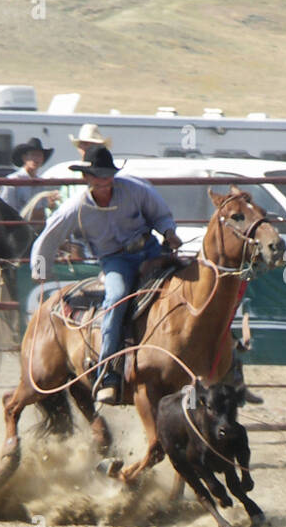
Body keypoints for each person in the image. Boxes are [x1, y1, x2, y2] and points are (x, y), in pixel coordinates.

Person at [30, 145, 182, 405]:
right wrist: (40, 268)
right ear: (86, 178)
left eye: (108, 174)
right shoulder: (75, 208)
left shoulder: (135, 189)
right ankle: (108, 373)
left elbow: (160, 214)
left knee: (184, 287)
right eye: (99, 175)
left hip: (149, 250)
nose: (105, 180)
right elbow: (49, 236)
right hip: (116, 260)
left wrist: (168, 232)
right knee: (117, 299)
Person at [0, 136, 53, 229]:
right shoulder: (12, 180)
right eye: (33, 155)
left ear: (42, 159)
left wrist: (50, 204)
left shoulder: (41, 183)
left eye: (39, 155)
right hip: (17, 230)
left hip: (36, 229)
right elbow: (7, 210)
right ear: (24, 158)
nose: (36, 159)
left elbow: (42, 211)